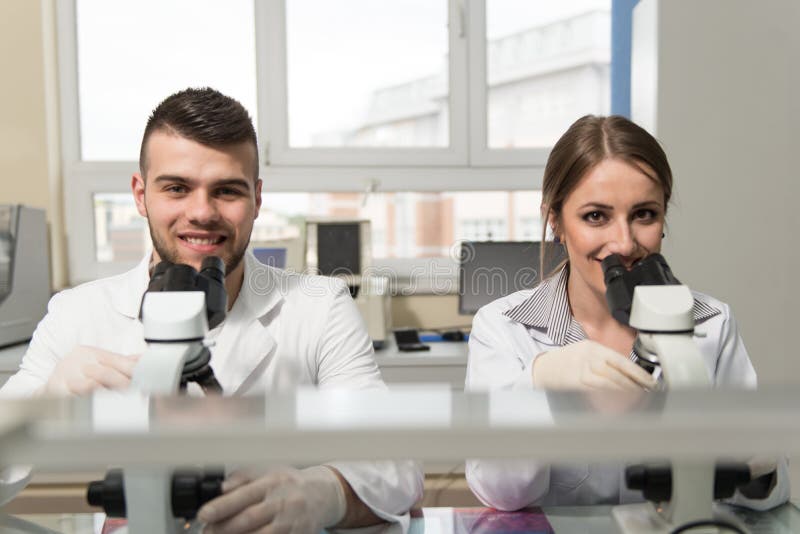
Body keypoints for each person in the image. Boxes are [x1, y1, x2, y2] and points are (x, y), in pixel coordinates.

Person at [0, 87, 423, 531]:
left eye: (226, 190)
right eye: (177, 188)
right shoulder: (76, 313)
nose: (202, 212)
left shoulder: (319, 307)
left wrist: (320, 492)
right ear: (140, 194)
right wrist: (41, 408)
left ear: (257, 199)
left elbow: (397, 466)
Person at [465, 115, 789, 511]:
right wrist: (538, 381)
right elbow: (501, 494)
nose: (624, 242)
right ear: (556, 221)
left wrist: (759, 462)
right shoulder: (504, 328)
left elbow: (765, 499)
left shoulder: (711, 323)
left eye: (644, 215)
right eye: (596, 216)